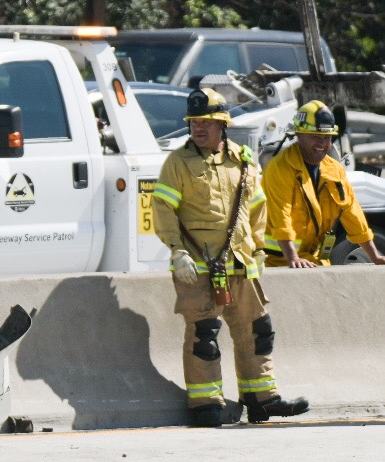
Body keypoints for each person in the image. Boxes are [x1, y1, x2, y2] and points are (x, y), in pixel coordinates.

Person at [152, 88, 309, 427]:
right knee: (203, 335)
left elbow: (257, 210)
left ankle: (262, 400)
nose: (198, 128)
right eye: (194, 122)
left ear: (223, 124)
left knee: (257, 331)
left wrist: (257, 252)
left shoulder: (243, 160)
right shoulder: (177, 163)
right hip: (196, 268)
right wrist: (177, 251)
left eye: (205, 122)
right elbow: (162, 208)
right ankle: (206, 405)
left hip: (241, 265)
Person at [263, 100, 385, 268]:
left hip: (312, 261)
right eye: (315, 137)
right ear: (299, 135)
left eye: (327, 138)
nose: (322, 144)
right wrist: (292, 258)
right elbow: (280, 216)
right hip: (276, 263)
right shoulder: (279, 168)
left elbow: (352, 214)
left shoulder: (334, 170)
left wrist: (375, 256)